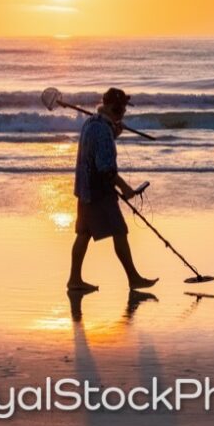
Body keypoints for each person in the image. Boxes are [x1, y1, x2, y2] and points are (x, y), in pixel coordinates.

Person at [68, 87, 158, 291]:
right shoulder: (101, 129)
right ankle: (133, 278)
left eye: (125, 107)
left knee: (84, 233)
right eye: (121, 107)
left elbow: (99, 151)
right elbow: (105, 167)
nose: (124, 111)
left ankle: (74, 280)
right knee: (119, 230)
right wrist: (125, 187)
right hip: (98, 190)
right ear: (110, 107)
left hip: (85, 188)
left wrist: (114, 133)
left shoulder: (93, 123)